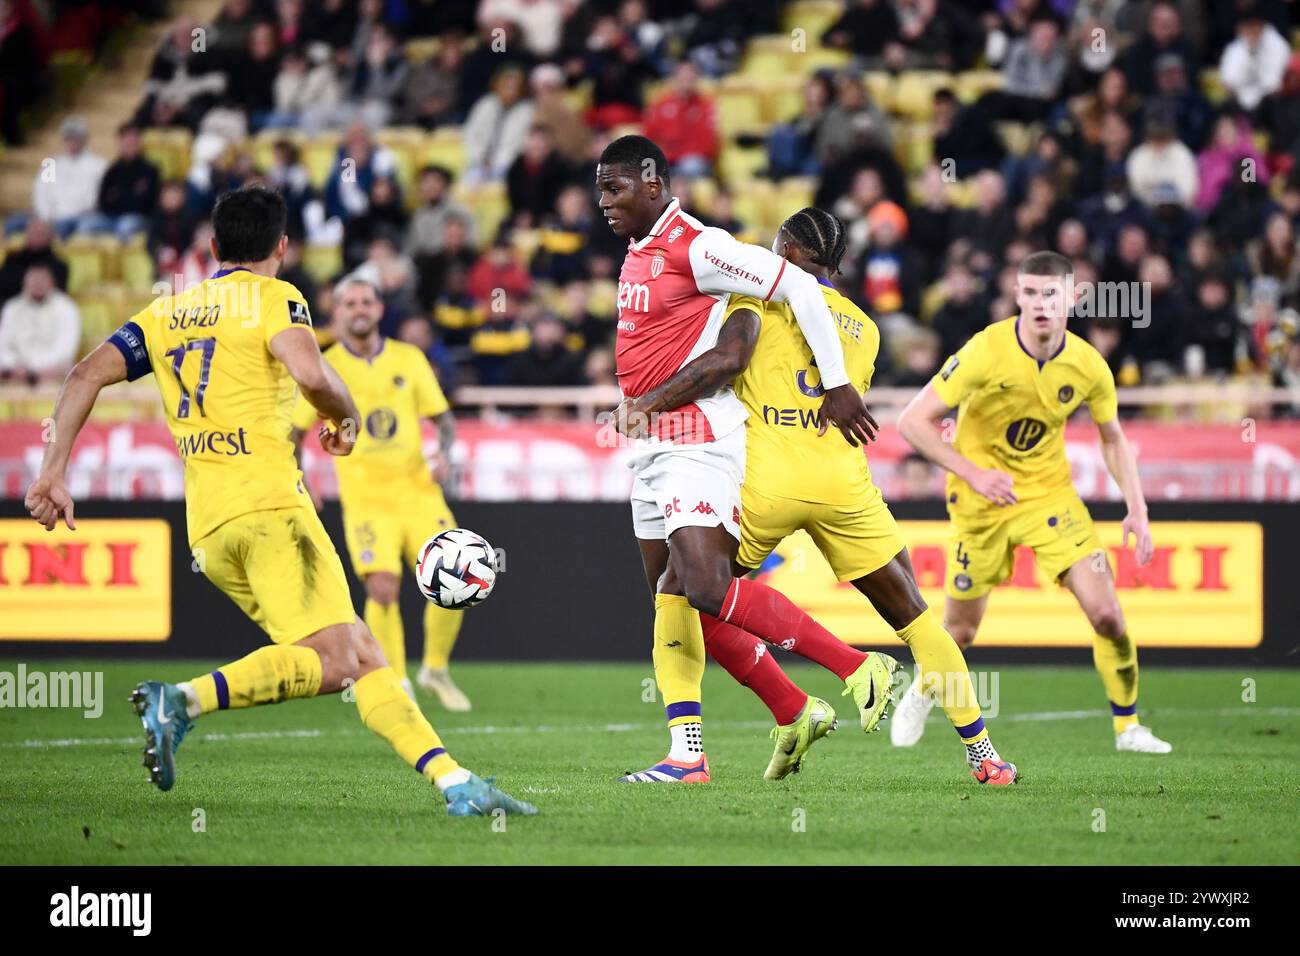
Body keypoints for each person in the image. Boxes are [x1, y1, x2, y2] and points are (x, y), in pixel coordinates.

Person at [22, 186, 534, 816]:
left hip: (208, 530)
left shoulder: (166, 313)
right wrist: (345, 419)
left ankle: (456, 782)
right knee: (339, 659)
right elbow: (313, 374)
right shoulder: (276, 297)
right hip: (270, 509)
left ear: (213, 248)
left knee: (359, 652)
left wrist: (53, 471)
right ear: (283, 248)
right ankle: (182, 700)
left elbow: (83, 376)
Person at [595, 136, 882, 783]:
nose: (604, 202)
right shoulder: (639, 252)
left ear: (652, 183)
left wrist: (837, 384)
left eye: (614, 189)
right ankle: (700, 750)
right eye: (599, 190)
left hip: (698, 437)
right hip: (652, 446)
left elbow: (800, 291)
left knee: (704, 588)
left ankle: (856, 666)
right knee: (675, 603)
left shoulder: (699, 246)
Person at [895, 250, 1172, 755]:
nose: (1040, 303)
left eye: (1051, 293)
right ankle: (923, 687)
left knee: (1108, 615)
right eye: (1030, 292)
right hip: (980, 503)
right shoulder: (985, 351)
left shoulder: (1088, 365)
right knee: (960, 631)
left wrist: (1138, 507)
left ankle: (1128, 727)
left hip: (1049, 497)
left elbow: (1113, 439)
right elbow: (912, 421)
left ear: (1074, 296)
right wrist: (974, 472)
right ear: (1016, 294)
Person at [292, 276, 471, 711]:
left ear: (378, 309)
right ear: (336, 312)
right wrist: (301, 479)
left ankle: (435, 668)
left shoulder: (409, 358)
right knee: (383, 589)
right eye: (350, 302)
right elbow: (294, 433)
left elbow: (443, 419)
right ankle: (395, 679)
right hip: (366, 497)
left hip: (418, 490)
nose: (359, 308)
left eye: (367, 301)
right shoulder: (323, 366)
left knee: (459, 574)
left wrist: (444, 454)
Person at [0, 264, 81, 383]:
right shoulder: (12, 307)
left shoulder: (67, 308)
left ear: (52, 282)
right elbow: (3, 345)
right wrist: (14, 365)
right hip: (16, 373)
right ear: (24, 283)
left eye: (42, 280)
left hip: (53, 373)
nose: (37, 284)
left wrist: (34, 369)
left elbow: (66, 349)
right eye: (33, 280)